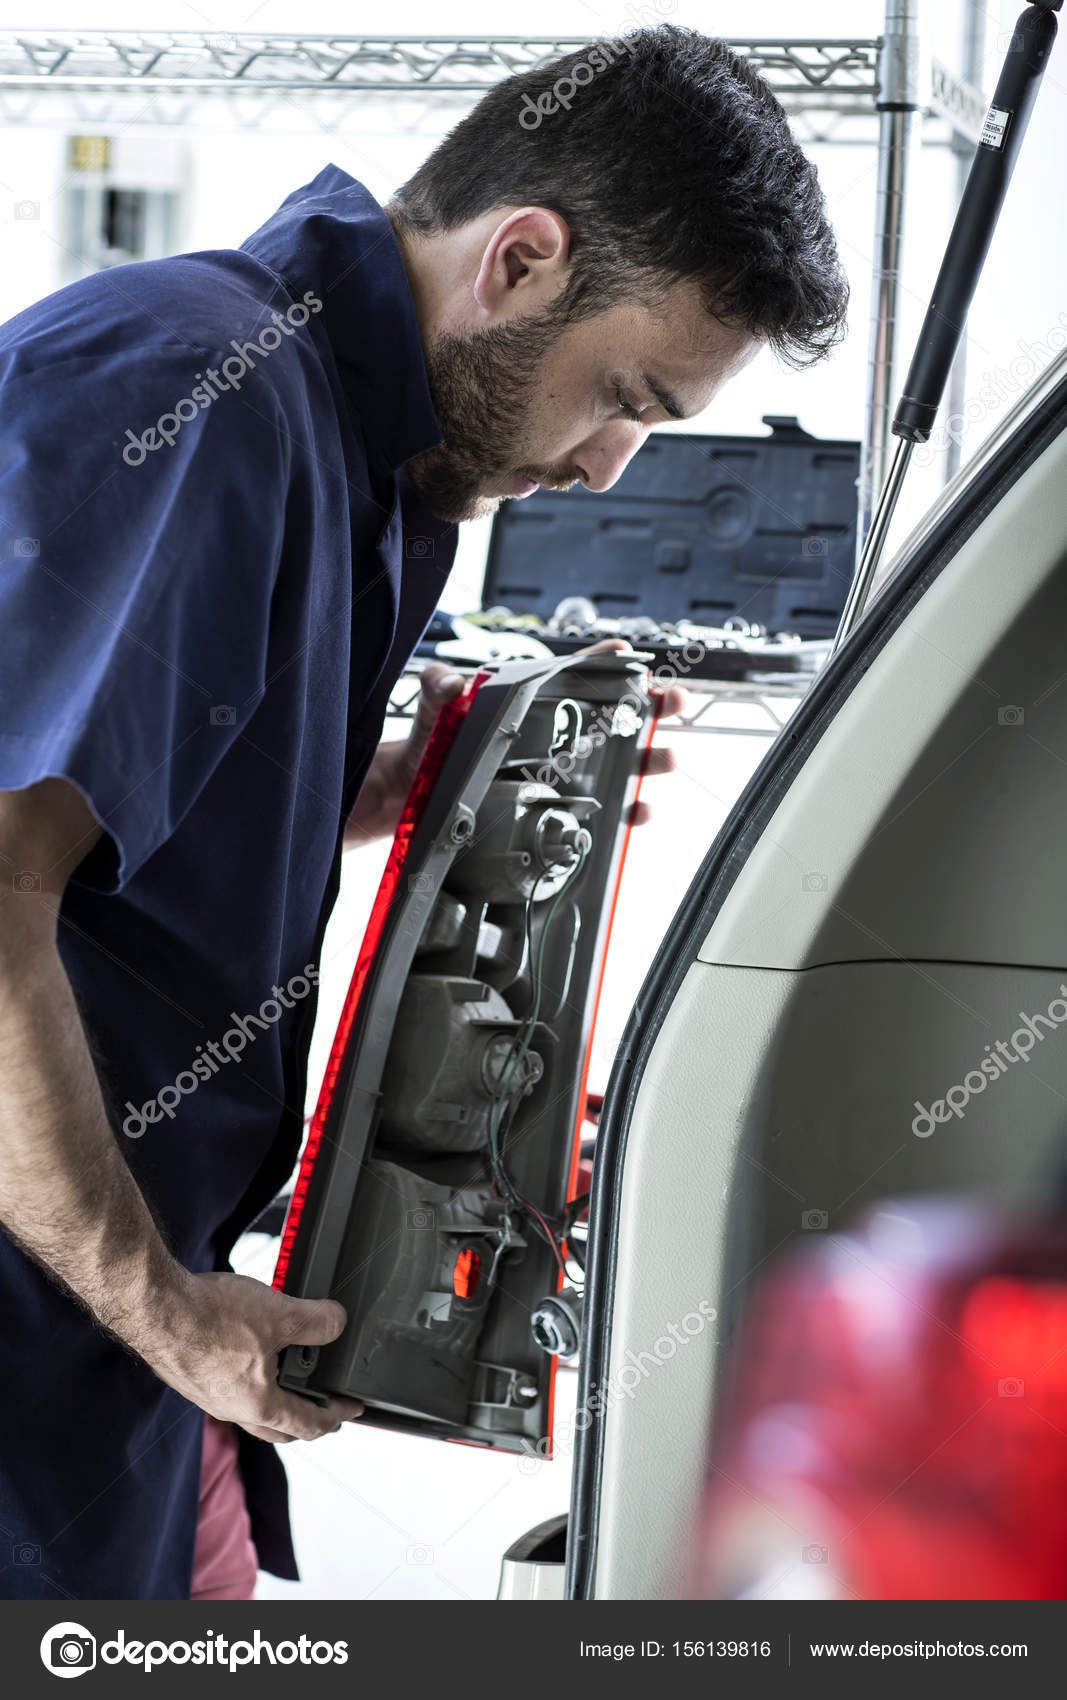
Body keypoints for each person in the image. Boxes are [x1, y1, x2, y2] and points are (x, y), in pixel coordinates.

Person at [0, 26, 847, 1599]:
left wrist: (386, 800)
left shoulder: (387, 469)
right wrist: (165, 1313)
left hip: (125, 1334)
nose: (610, 467)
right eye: (627, 396)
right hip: (80, 1312)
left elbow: (115, 849)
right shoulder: (194, 388)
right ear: (519, 261)